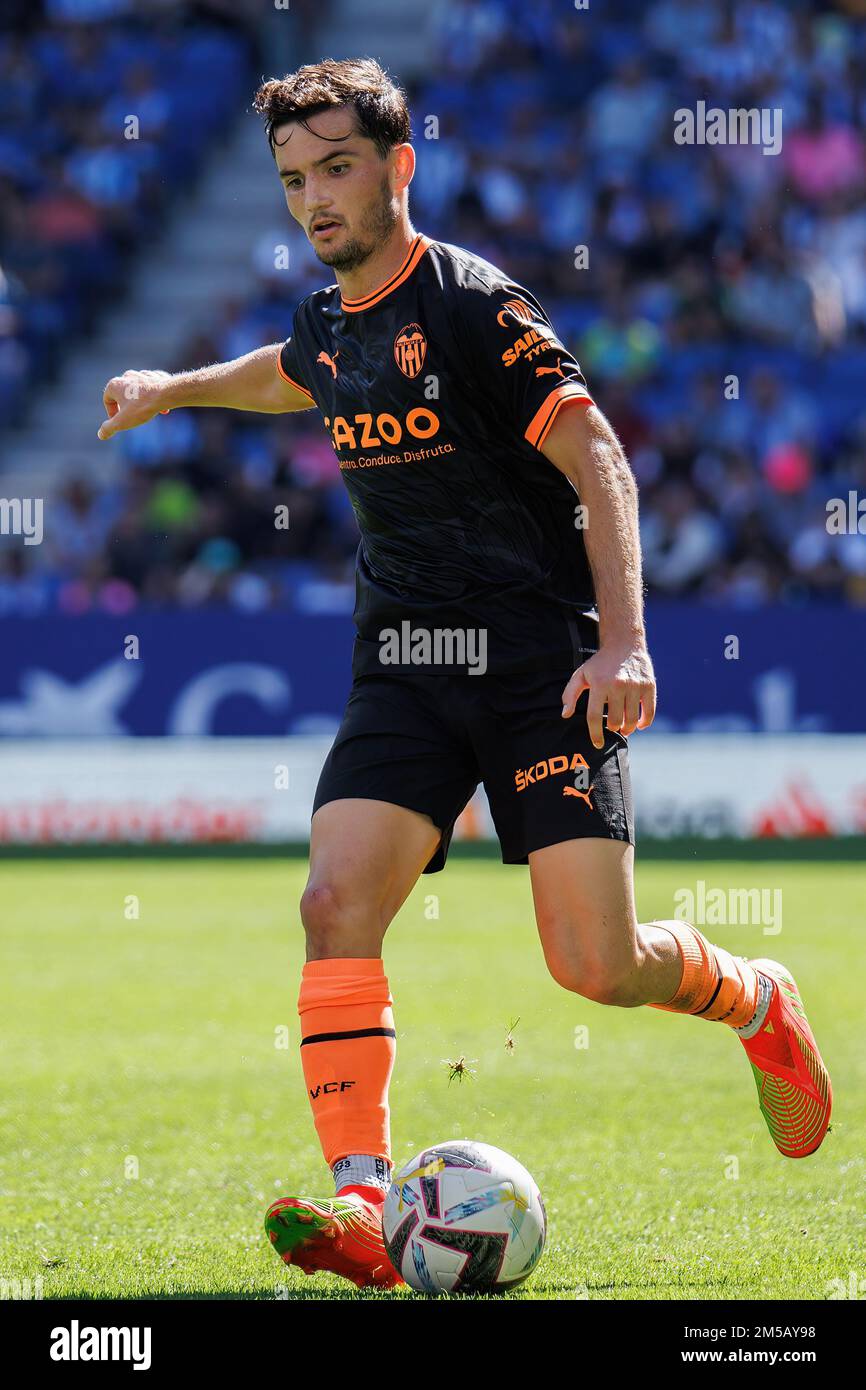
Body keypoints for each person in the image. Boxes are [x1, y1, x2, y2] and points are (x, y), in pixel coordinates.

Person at [98, 58, 833, 1291]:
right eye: (292, 181)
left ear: (399, 168)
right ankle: (363, 1208)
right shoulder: (331, 322)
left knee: (593, 965)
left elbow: (599, 458)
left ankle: (754, 995)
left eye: (336, 170)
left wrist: (624, 640)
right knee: (335, 905)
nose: (313, 200)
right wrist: (177, 388)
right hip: (401, 662)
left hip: (541, 665)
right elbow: (295, 373)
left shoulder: (475, 307)